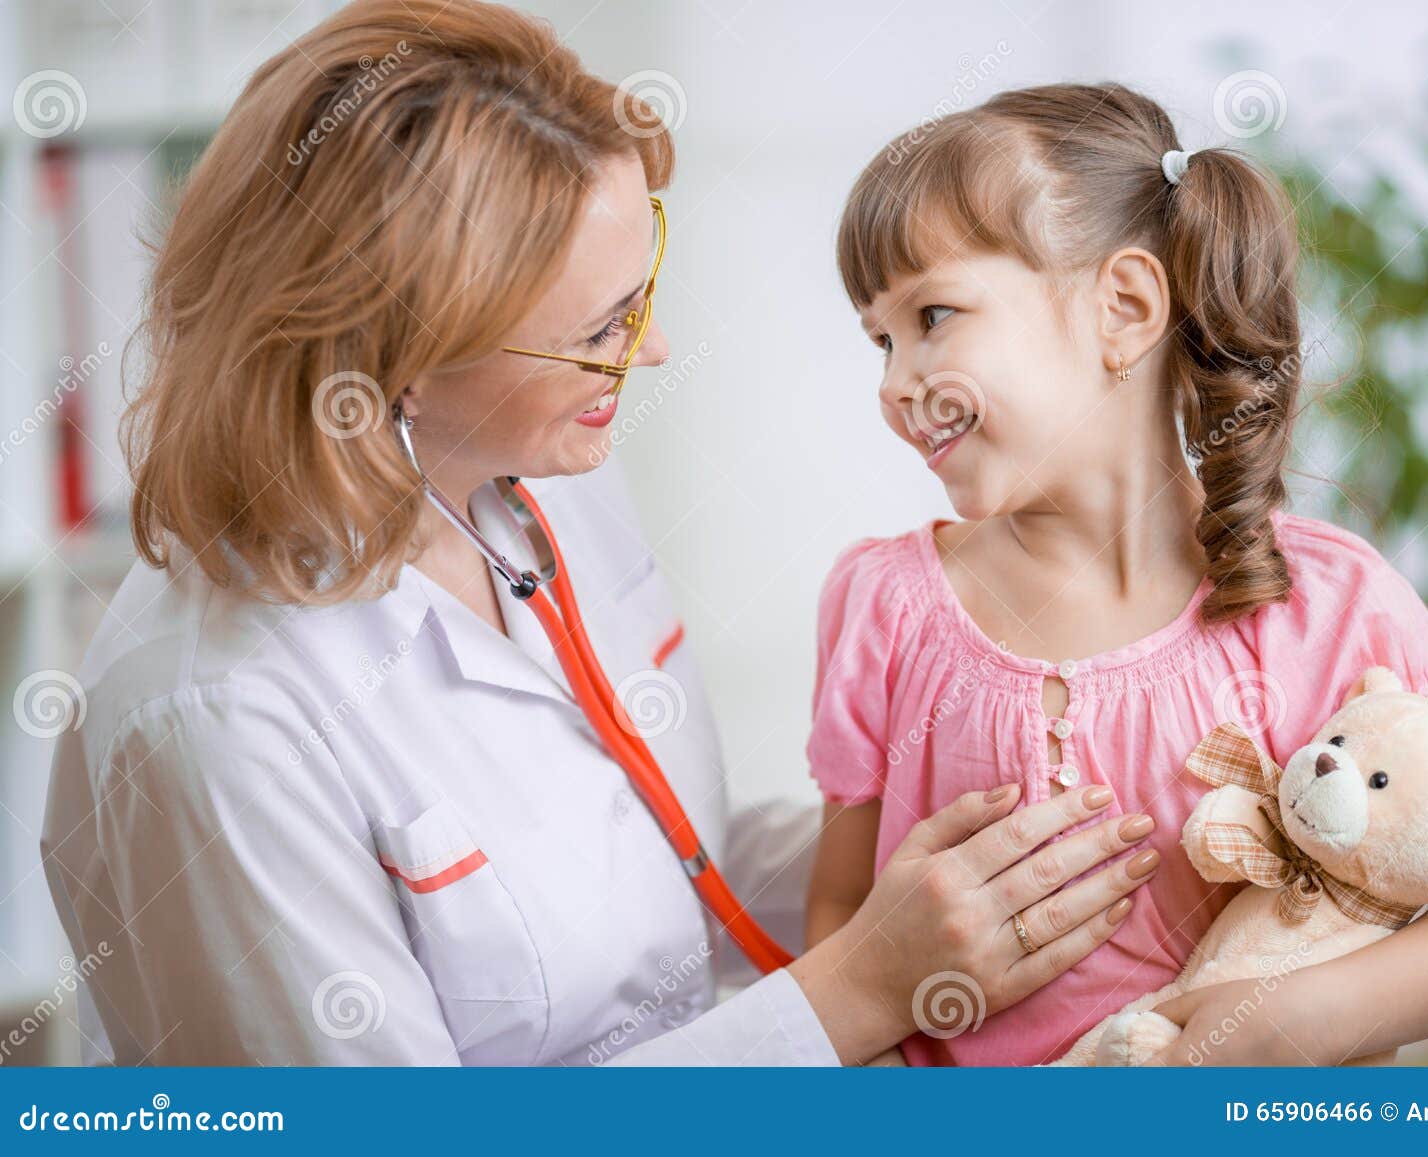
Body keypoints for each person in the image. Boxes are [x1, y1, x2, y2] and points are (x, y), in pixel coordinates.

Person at [39, 1, 1157, 1067]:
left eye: (641, 286)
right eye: (598, 330)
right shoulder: (218, 713)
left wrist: (942, 856)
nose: (653, 347)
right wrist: (859, 987)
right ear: (398, 357)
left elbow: (661, 856)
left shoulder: (534, 477)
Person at [803, 83, 1428, 1065]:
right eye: (879, 338)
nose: (893, 383)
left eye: (933, 315)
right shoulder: (885, 605)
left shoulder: (1323, 609)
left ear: (1122, 308)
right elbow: (842, 916)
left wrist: (1305, 1022)